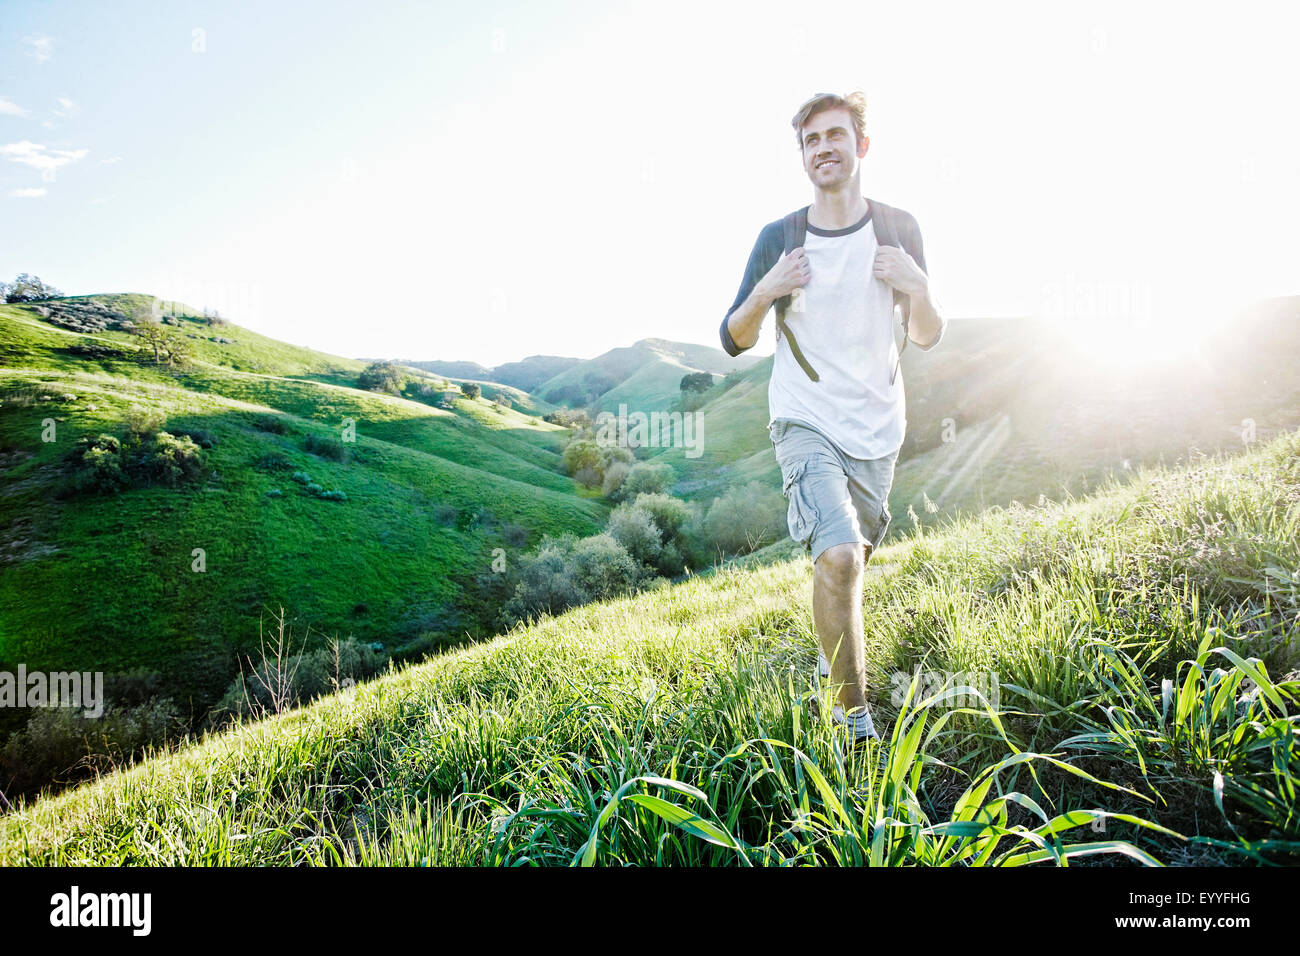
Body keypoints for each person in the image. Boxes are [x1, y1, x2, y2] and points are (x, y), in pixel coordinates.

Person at [719, 90, 946, 745]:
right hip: (803, 420)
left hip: (877, 428)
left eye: (835, 136)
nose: (823, 148)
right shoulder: (780, 239)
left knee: (847, 564)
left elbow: (927, 334)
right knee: (841, 556)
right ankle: (854, 724)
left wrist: (919, 286)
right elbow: (734, 337)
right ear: (803, 157)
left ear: (861, 146)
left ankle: (832, 661)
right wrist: (768, 290)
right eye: (811, 140)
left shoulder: (899, 229)